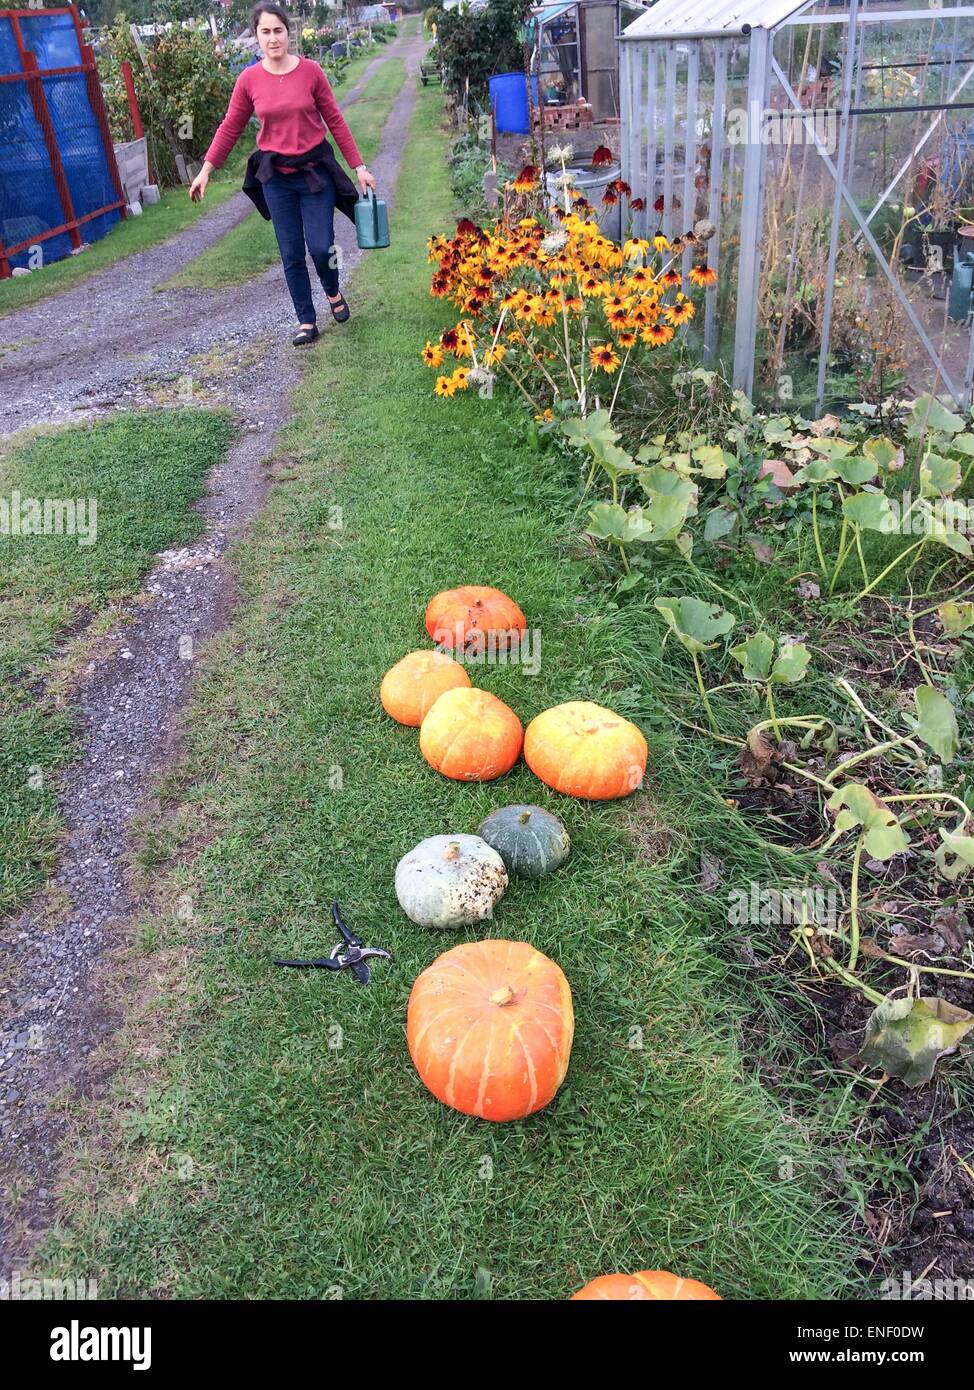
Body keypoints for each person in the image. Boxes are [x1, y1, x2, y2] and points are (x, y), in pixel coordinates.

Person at [189, 4, 377, 346]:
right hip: (276, 178)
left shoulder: (311, 72)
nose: (273, 38)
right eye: (265, 32)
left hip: (315, 175)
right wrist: (206, 170)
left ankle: (332, 291)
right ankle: (306, 320)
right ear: (257, 36)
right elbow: (230, 126)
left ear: (288, 33)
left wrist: (359, 167)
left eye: (278, 31)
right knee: (291, 252)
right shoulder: (249, 80)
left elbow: (334, 119)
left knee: (321, 248)